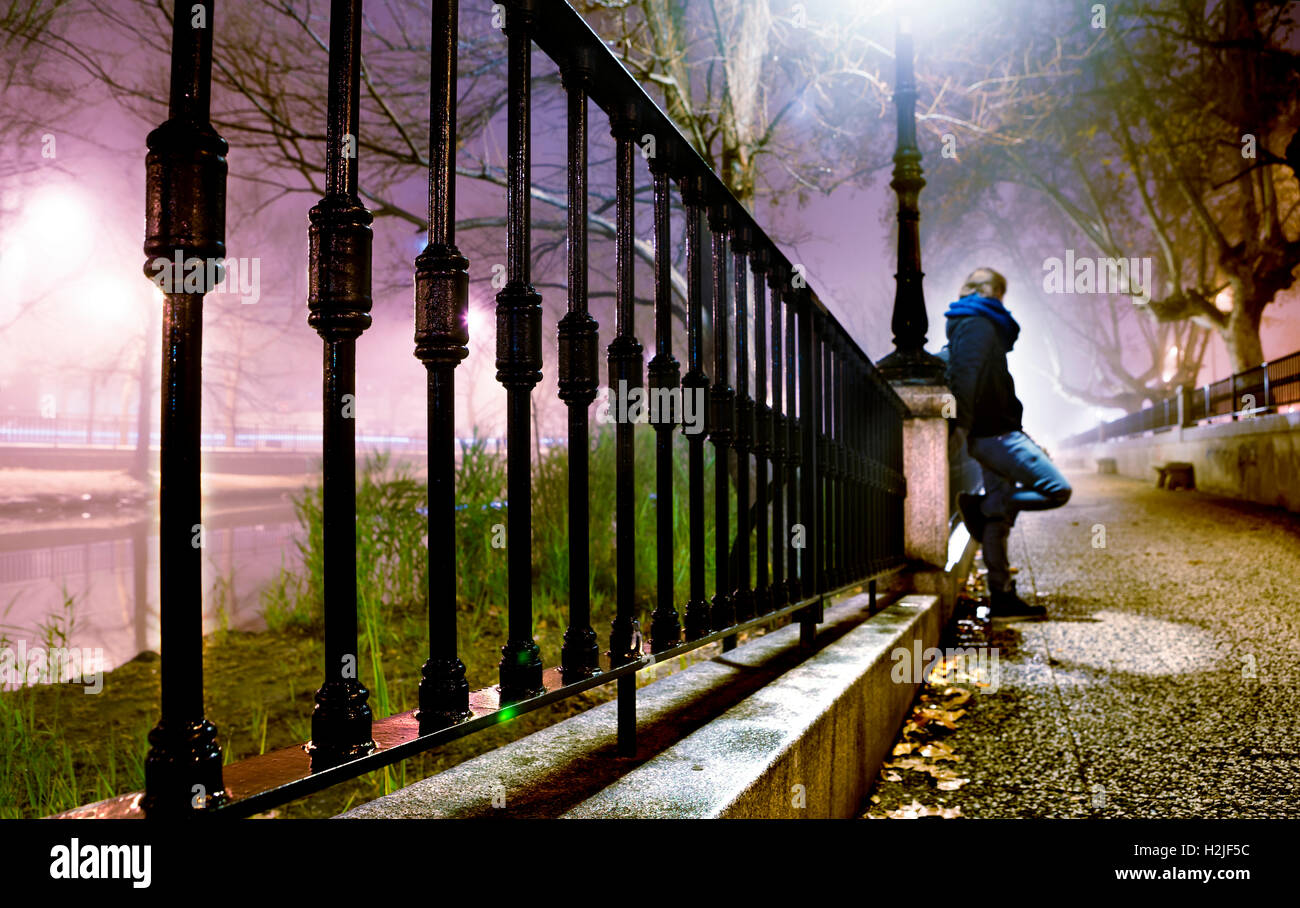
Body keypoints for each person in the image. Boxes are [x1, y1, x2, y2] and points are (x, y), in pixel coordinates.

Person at [944, 267, 1071, 618]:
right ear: (990, 292)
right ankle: (981, 506)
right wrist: (962, 425)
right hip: (995, 435)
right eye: (1000, 293)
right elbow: (963, 376)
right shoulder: (978, 323)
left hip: (993, 433)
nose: (1002, 300)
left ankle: (1001, 597)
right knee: (1057, 490)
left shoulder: (970, 323)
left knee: (997, 522)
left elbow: (958, 369)